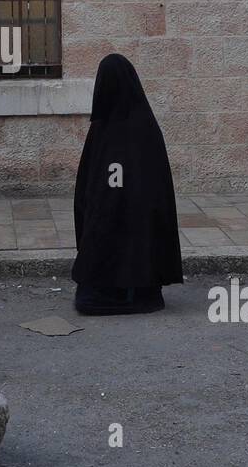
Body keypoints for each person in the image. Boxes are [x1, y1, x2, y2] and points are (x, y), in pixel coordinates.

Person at [71, 53, 183, 315]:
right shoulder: (105, 126)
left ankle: (133, 292)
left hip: (133, 220)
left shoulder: (138, 127)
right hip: (111, 213)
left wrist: (117, 198)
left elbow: (145, 183)